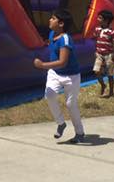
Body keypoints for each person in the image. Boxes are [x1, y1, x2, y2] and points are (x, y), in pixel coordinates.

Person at [33, 9, 84, 143]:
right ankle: (61, 123)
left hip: (71, 76)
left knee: (71, 104)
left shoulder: (65, 39)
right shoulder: (52, 34)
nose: (50, 20)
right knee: (50, 95)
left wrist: (42, 65)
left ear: (61, 24)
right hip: (55, 73)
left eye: (53, 18)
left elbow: (62, 62)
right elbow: (52, 47)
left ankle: (79, 133)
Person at [93, 10, 114, 98]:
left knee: (110, 74)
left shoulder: (112, 32)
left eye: (100, 18)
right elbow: (96, 40)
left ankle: (111, 91)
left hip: (109, 55)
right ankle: (103, 85)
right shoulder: (97, 29)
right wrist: (96, 50)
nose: (98, 19)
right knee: (97, 71)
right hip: (99, 54)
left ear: (106, 20)